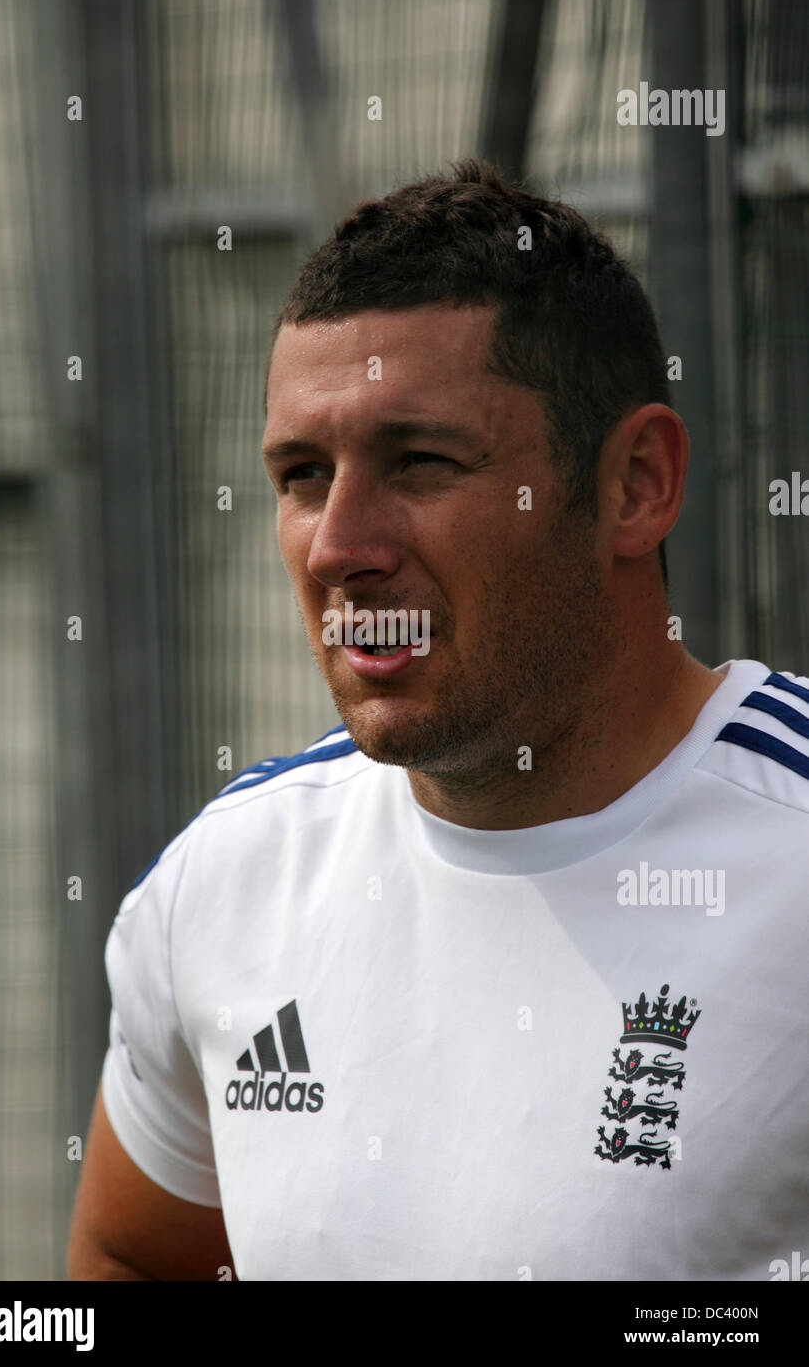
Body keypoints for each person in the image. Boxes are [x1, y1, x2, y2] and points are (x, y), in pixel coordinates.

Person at [68, 158, 809, 1281]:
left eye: (418, 461)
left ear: (635, 484)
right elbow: (129, 1252)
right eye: (303, 474)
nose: (337, 546)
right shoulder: (224, 880)